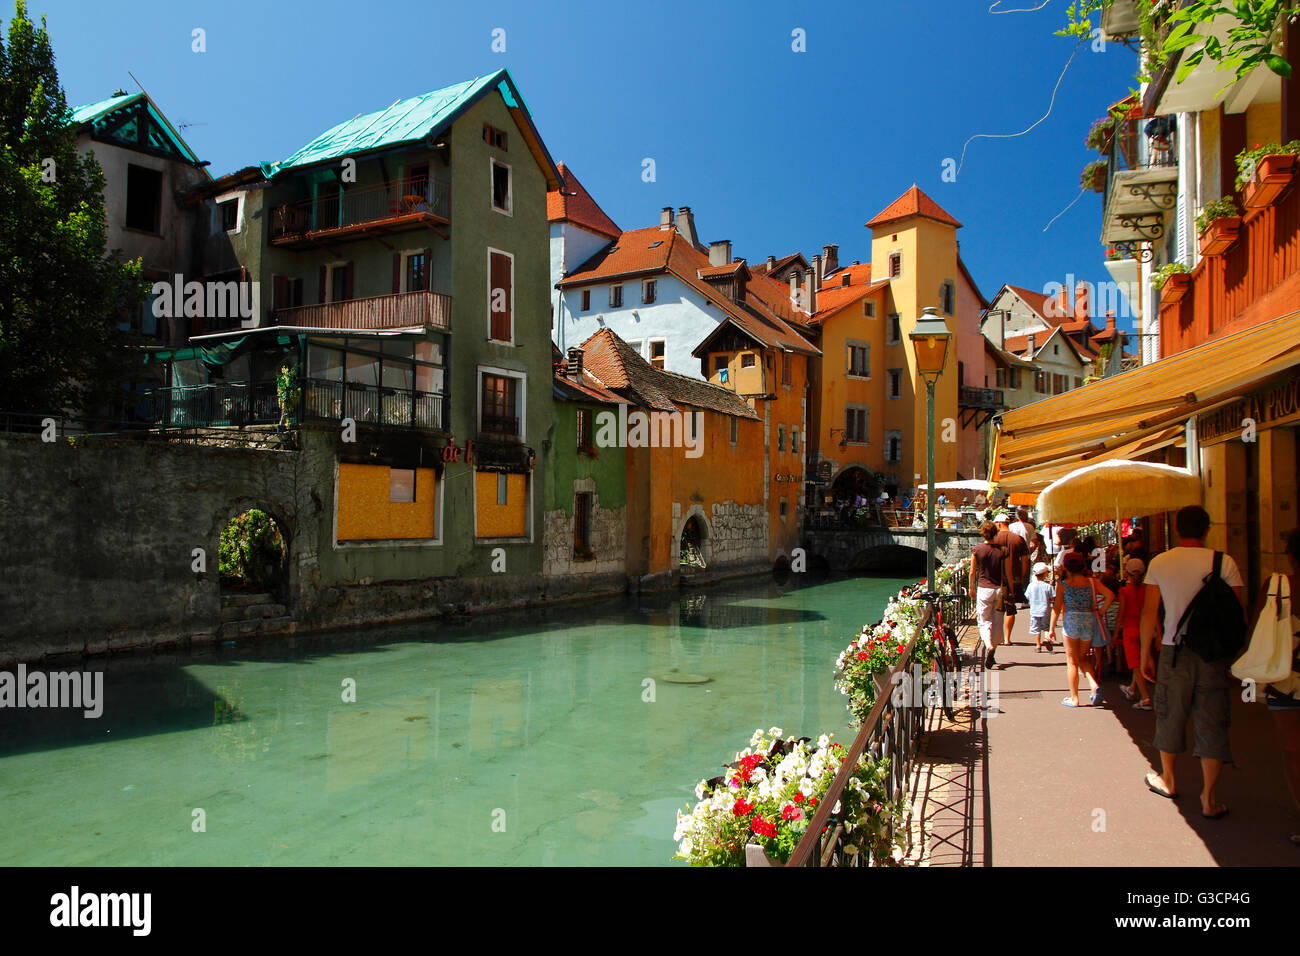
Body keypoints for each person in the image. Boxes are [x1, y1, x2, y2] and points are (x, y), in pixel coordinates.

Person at [1140, 505, 1245, 818]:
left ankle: (1169, 780)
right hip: (1211, 654)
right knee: (1212, 720)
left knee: (1169, 714)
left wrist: (1146, 653)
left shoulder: (1160, 562)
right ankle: (1209, 799)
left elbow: (1149, 613)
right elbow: (1235, 612)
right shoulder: (1224, 562)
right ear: (1207, 529)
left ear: (1176, 527)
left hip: (1174, 652)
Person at [1253, 528, 1300, 844]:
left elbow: (1257, 630)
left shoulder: (1278, 585)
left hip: (1286, 678)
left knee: (1294, 752)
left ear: (1291, 555)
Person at [1056, 551, 1114, 707]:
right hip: (1088, 621)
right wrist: (1101, 611)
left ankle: (1074, 698)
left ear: (1065, 567)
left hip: (1071, 622)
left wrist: (1050, 629)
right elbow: (1110, 595)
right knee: (1083, 658)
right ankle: (1094, 686)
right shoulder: (1092, 582)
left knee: (1071, 661)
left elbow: (1057, 607)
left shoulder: (1063, 584)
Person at [968, 521, 1011, 671]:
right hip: (999, 589)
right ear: (995, 533)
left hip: (984, 589)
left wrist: (971, 587)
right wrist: (1009, 588)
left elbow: (973, 572)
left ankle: (989, 645)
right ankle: (994, 649)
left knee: (984, 621)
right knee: (998, 621)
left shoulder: (977, 550)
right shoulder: (1003, 551)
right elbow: (1007, 572)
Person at [1116, 558, 1151, 709]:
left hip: (1130, 630)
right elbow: (1152, 612)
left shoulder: (1124, 591)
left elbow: (1121, 613)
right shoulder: (1148, 589)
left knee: (1136, 665)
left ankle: (1145, 697)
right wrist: (1159, 633)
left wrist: (1116, 632)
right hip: (1145, 629)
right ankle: (1131, 689)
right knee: (1140, 660)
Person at [994, 513, 1030, 631]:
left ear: (998, 524)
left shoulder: (994, 539)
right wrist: (1022, 576)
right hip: (1014, 578)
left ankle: (996, 636)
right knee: (1010, 608)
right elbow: (1025, 561)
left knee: (996, 608)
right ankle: (1007, 637)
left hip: (995, 579)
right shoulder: (1018, 539)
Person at [1026, 562, 1056, 653]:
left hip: (1034, 611)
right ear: (1045, 574)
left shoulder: (1031, 585)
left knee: (1036, 629)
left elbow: (1027, 596)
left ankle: (1038, 645)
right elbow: (1053, 597)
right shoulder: (1048, 586)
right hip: (1045, 610)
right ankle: (1047, 639)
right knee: (1046, 627)